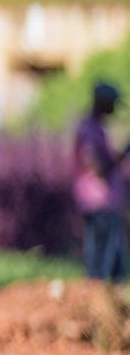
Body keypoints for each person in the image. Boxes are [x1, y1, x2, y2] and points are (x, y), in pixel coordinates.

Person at [75, 81, 125, 283]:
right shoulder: (89, 131)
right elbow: (97, 167)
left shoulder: (98, 129)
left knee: (115, 263)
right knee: (100, 264)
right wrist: (123, 155)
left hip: (105, 202)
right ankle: (96, 306)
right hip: (97, 202)